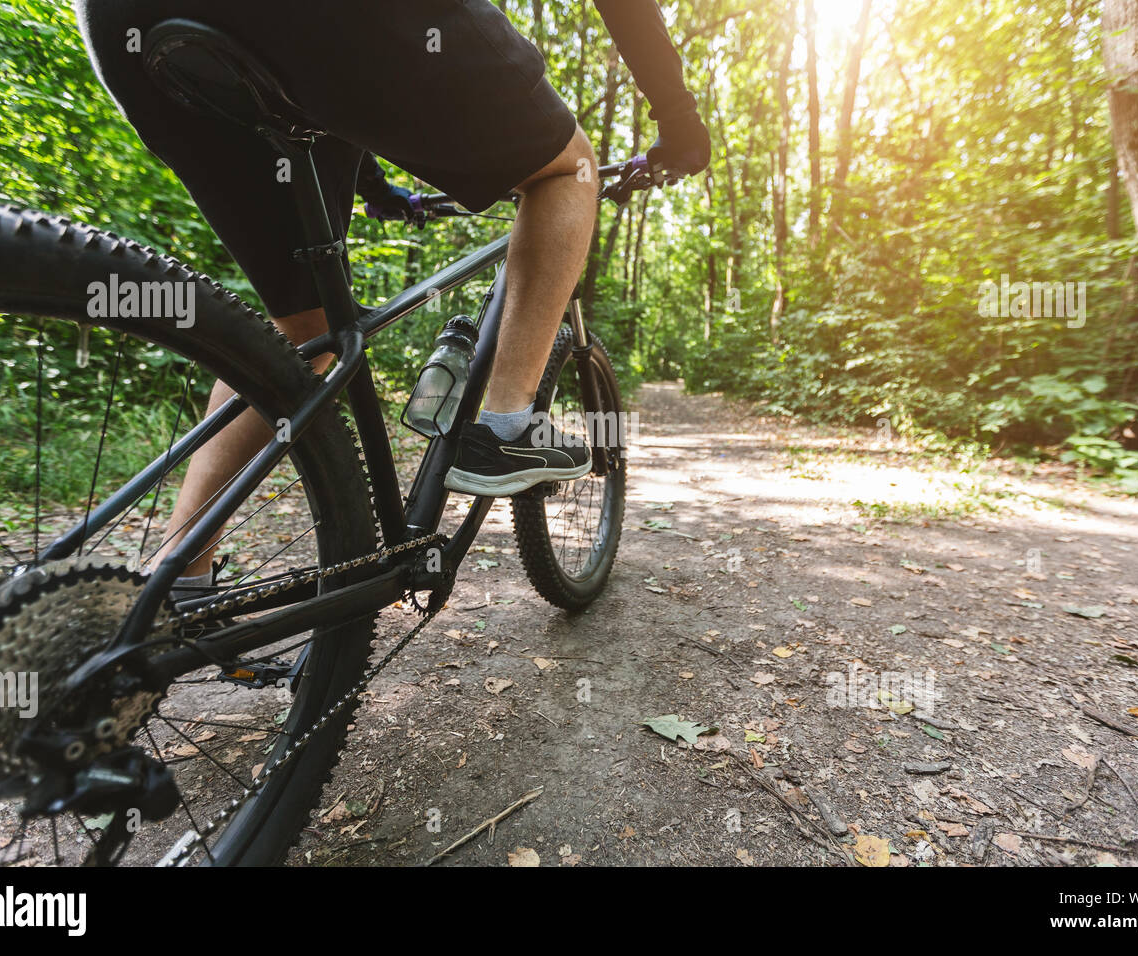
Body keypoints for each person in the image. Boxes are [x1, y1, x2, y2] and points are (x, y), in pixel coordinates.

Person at [72, 0, 710, 594]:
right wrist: (678, 120)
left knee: (303, 331)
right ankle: (506, 427)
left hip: (127, 24)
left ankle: (174, 578)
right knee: (569, 170)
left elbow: (323, 78)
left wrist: (376, 187)